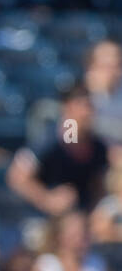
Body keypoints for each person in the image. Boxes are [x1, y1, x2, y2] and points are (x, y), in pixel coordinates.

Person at [8, 84, 111, 216]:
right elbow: (17, 177)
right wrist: (47, 199)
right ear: (67, 107)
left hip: (81, 221)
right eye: (82, 105)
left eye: (90, 106)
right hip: (45, 223)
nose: (87, 112)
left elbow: (97, 185)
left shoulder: (97, 147)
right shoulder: (49, 141)